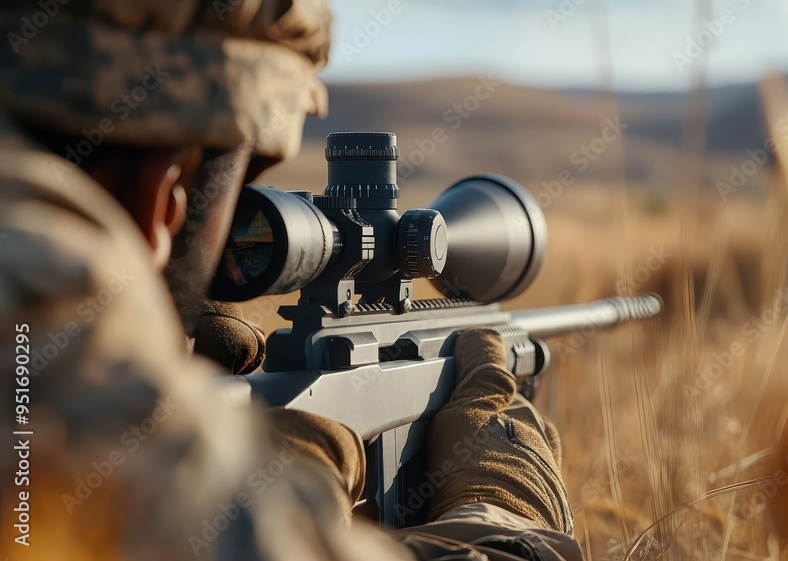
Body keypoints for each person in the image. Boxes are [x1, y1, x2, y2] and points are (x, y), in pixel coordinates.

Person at [0, 2, 582, 560]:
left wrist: (174, 381)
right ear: (168, 195)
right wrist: (504, 511)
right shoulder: (56, 359)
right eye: (239, 189)